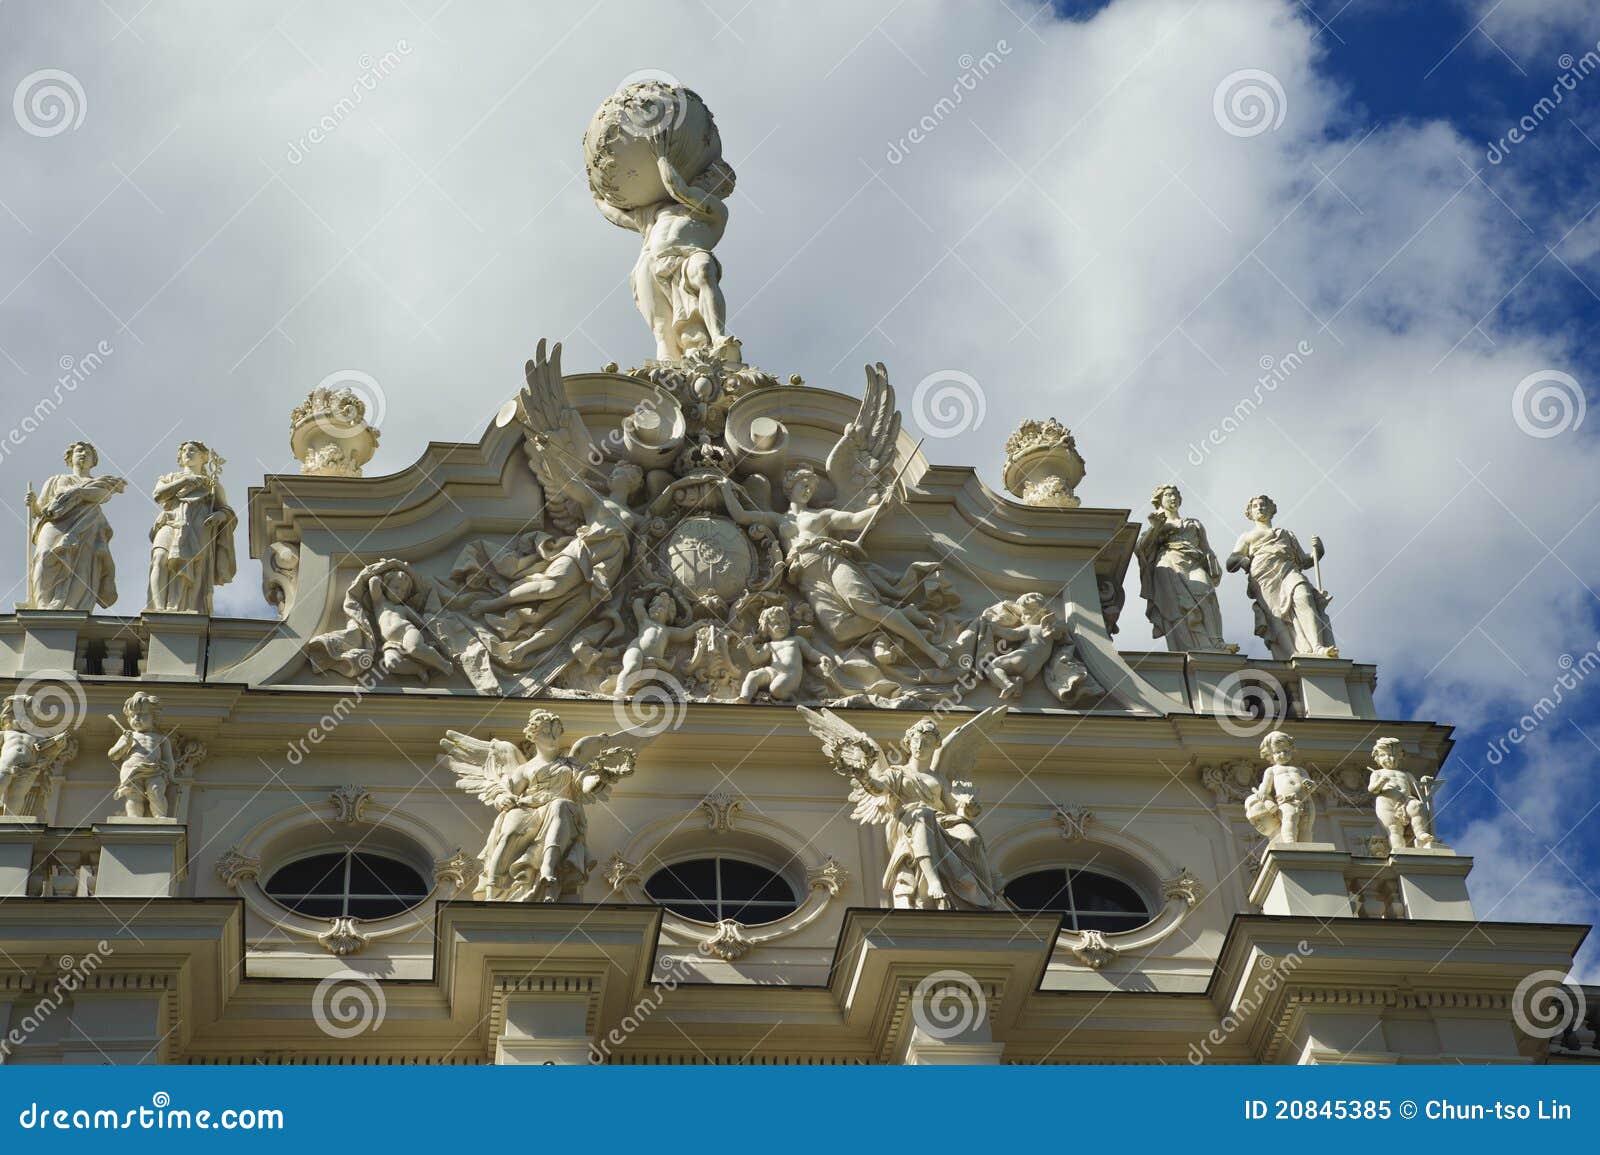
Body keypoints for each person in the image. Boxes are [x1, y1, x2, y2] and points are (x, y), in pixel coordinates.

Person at [1226, 494, 1336, 660]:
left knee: (1304, 597)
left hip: (1288, 569)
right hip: (1263, 576)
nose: (1259, 508)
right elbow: (1230, 562)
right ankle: (1291, 654)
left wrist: (1317, 553)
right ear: (1250, 512)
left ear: (1271, 510)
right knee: (1275, 616)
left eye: (1263, 505)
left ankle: (1317, 647)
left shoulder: (1286, 534)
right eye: (1255, 506)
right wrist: (1243, 560)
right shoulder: (1246, 536)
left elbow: (1304, 561)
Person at [25, 441, 124, 611]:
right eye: (79, 451)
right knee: (45, 554)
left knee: (82, 567)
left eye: (88, 453)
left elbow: (102, 497)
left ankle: (73, 607)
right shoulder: (56, 480)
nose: (83, 454)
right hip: (55, 523)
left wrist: (77, 493)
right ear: (70, 458)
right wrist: (33, 503)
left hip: (86, 524)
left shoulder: (101, 482)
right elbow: (40, 509)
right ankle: (43, 607)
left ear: (94, 461)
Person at [1135, 484, 1234, 653]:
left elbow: (1206, 548)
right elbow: (1141, 549)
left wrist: (1212, 563)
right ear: (1160, 500)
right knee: (1179, 606)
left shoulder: (1193, 523)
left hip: (1194, 562)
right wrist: (1155, 529)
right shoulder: (1157, 523)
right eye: (1168, 495)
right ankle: (1189, 647)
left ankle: (1216, 642)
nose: (1172, 498)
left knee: (1207, 596)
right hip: (1169, 563)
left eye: (1175, 495)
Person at [147, 441, 236, 614]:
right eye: (184, 451)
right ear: (180, 457)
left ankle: (180, 607)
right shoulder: (171, 478)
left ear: (203, 457)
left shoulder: (211, 484)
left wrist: (220, 515)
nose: (187, 453)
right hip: (170, 521)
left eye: (192, 450)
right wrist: (185, 480)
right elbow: (158, 495)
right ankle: (157, 608)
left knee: (188, 564)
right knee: (159, 558)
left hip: (197, 524)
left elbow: (226, 510)